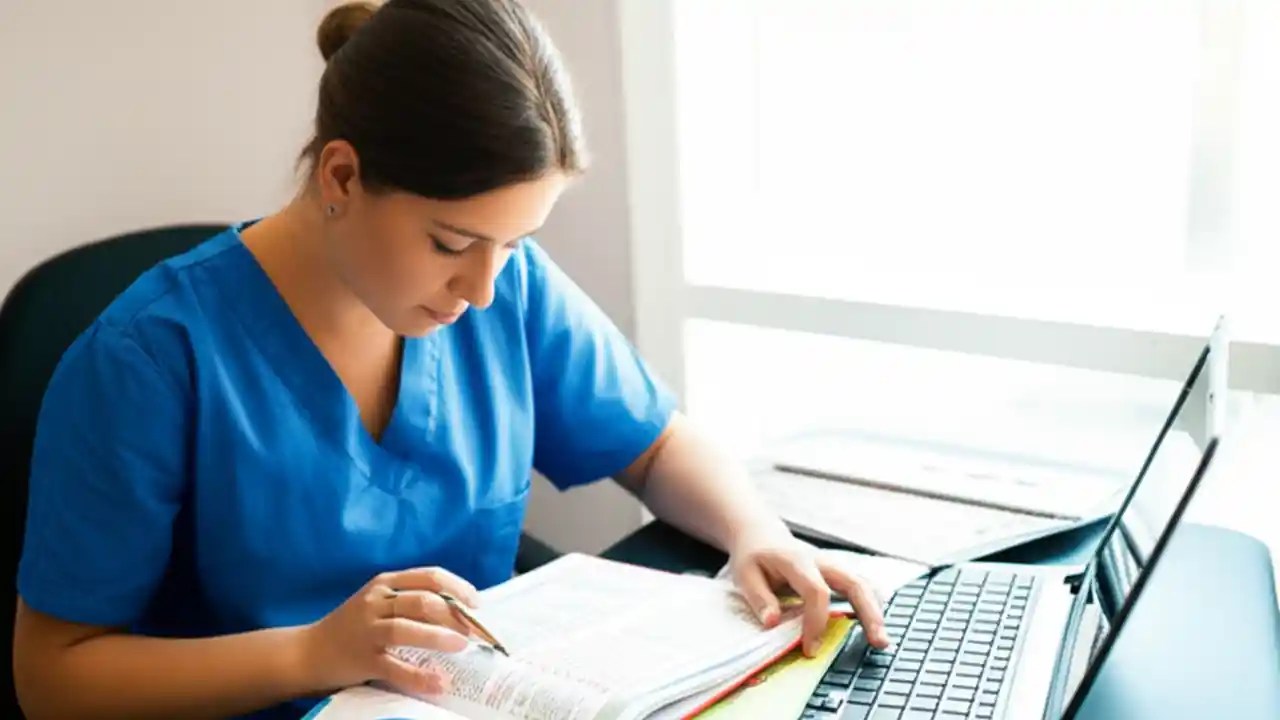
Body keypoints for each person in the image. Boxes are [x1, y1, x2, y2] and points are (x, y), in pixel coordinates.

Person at [12, 2, 889, 718]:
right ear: (343, 178)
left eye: (514, 244)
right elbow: (54, 676)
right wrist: (314, 652)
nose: (482, 289)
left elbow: (653, 443)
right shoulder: (150, 360)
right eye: (452, 242)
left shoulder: (507, 288)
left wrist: (756, 534)